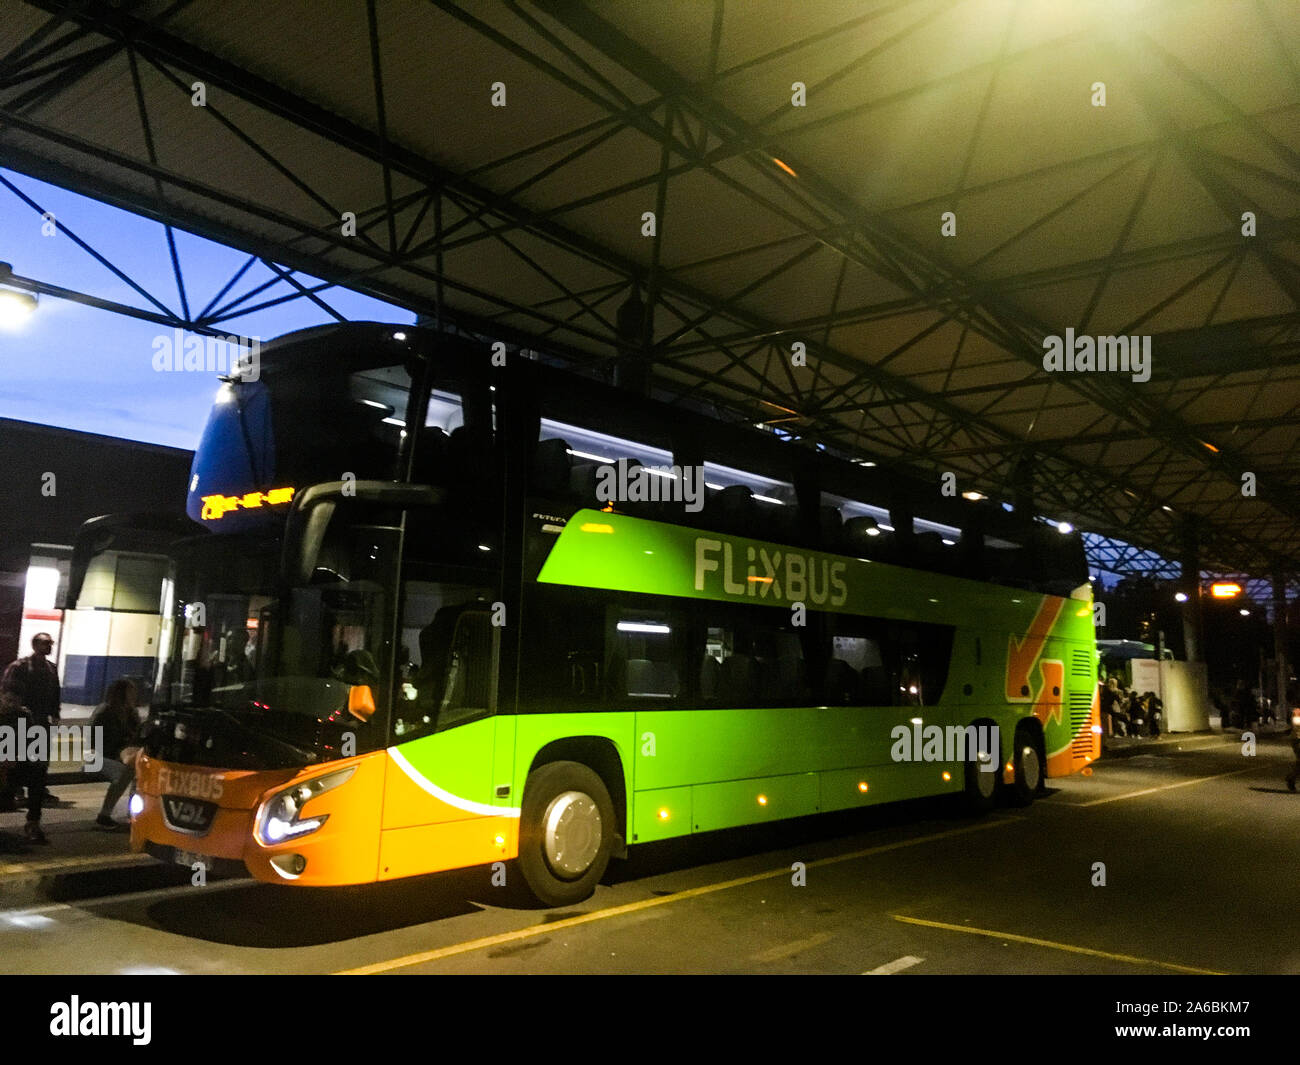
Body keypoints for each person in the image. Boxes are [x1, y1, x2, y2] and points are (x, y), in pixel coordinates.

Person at [1, 633, 61, 844]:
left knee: (38, 772)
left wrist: (54, 713)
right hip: (20, 728)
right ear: (35, 645)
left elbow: (55, 693)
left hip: (38, 725)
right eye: (46, 643)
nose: (49, 646)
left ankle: (33, 821)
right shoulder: (20, 667)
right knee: (18, 770)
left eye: (50, 643)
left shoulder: (50, 668)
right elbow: (8, 695)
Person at [89, 678, 141, 830]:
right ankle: (104, 815)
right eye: (131, 692)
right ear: (121, 694)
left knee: (139, 768)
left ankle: (134, 813)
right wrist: (118, 754)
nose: (134, 696)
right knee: (125, 771)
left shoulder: (131, 713)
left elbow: (136, 738)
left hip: (119, 756)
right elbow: (95, 743)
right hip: (97, 758)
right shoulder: (105, 712)